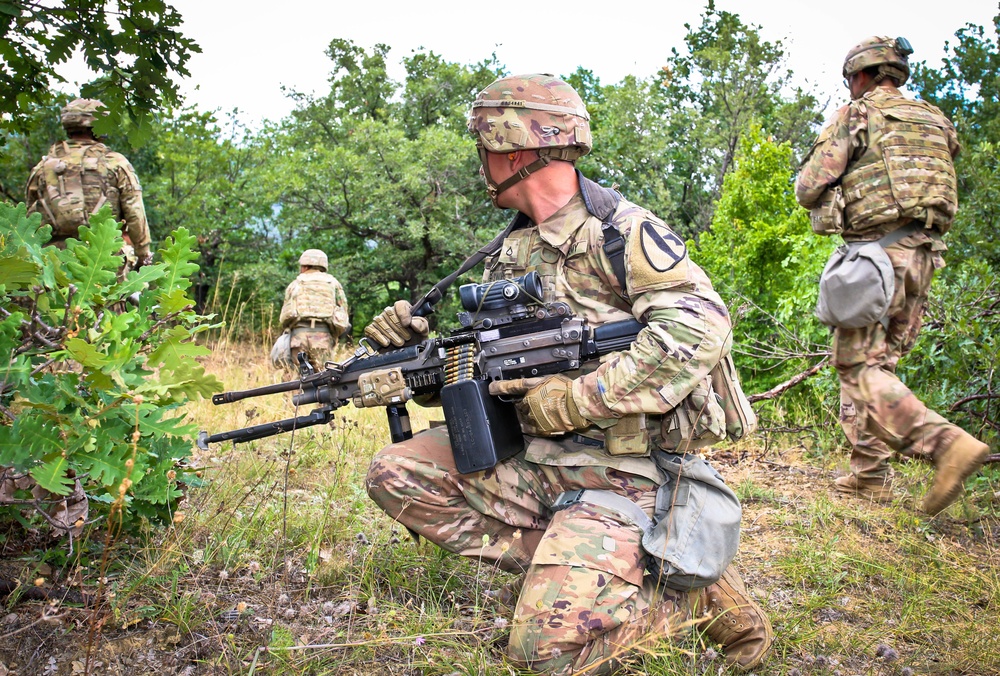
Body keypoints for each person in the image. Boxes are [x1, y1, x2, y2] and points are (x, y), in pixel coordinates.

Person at [363, 74, 772, 674]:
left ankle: (681, 599)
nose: (481, 161)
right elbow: (491, 362)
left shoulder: (620, 232)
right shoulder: (512, 251)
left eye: (484, 145)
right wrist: (415, 360)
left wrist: (577, 399)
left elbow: (698, 329)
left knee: (547, 656)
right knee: (397, 473)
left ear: (515, 146)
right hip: (538, 461)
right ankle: (580, 561)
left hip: (625, 473)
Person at [795, 37, 989, 514]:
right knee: (880, 364)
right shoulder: (935, 118)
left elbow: (809, 186)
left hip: (878, 254)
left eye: (850, 79)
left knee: (857, 366)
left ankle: (946, 445)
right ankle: (870, 474)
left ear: (861, 75)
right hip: (925, 253)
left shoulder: (857, 114)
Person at [25, 98, 152, 268]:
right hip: (102, 259)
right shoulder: (115, 163)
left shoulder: (43, 167)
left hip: (54, 264)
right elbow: (135, 214)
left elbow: (30, 218)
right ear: (100, 127)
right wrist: (143, 257)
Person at [279, 249, 350, 369]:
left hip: (298, 337)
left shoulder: (296, 283)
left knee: (298, 377)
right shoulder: (333, 283)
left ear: (305, 266)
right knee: (323, 377)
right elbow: (343, 310)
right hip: (323, 338)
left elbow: (284, 316)